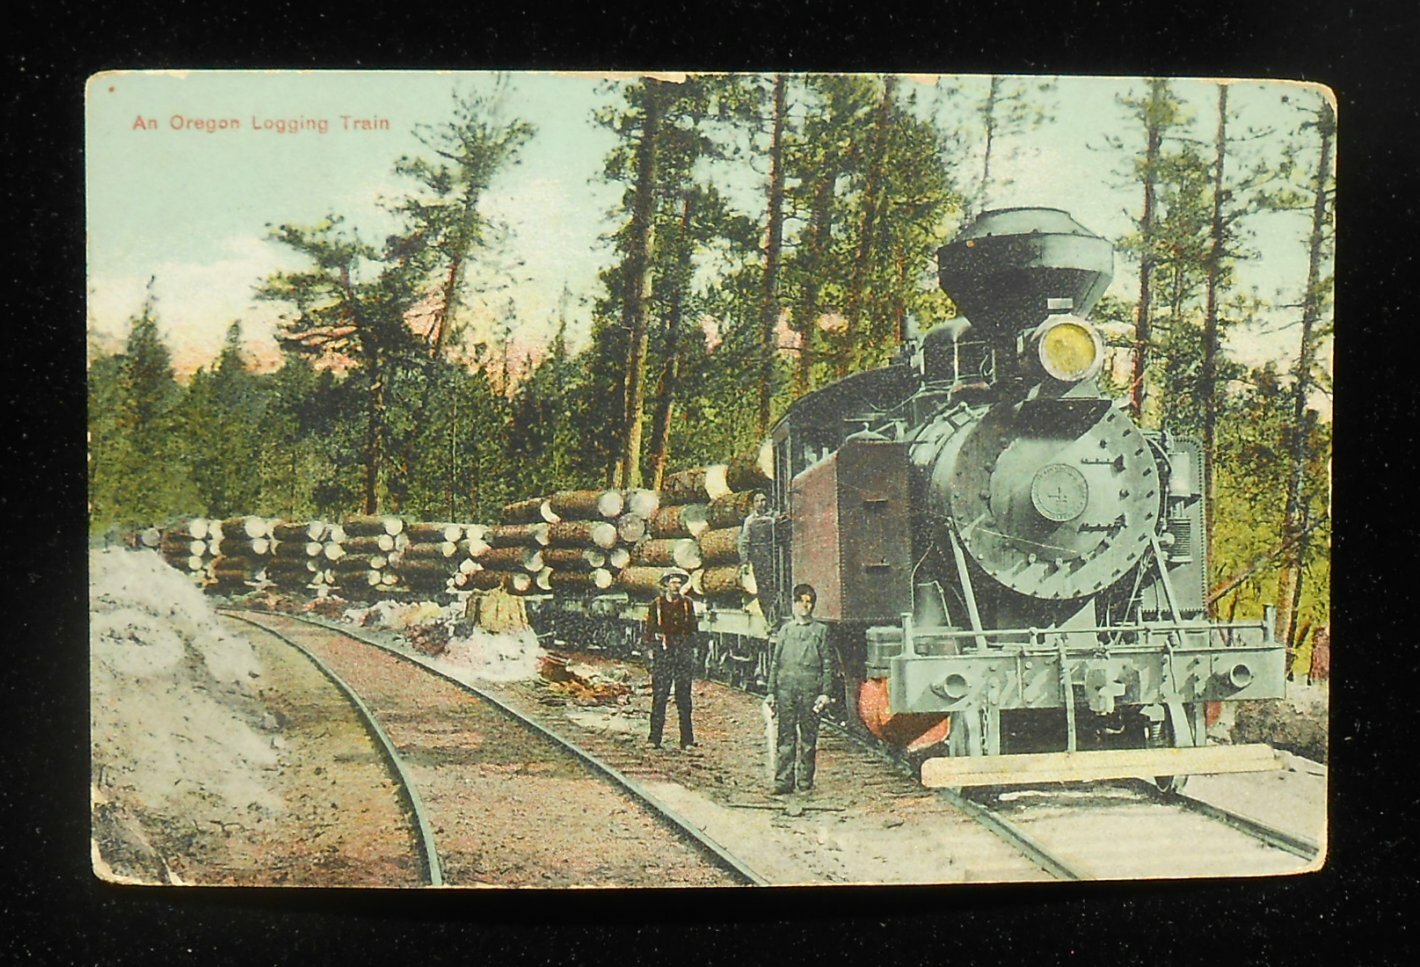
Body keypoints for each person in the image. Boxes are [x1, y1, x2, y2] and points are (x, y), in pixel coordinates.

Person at [765, 583, 834, 794]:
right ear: (794, 604)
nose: (805, 606)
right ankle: (783, 781)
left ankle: (805, 781)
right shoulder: (785, 630)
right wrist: (770, 692)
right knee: (785, 737)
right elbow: (775, 662)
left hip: (810, 691)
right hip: (786, 691)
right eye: (801, 601)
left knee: (808, 738)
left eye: (809, 602)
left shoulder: (821, 631)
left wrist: (825, 693)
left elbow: (827, 664)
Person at [644, 568, 699, 750]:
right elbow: (649, 631)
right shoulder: (657, 605)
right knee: (660, 697)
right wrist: (651, 650)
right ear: (666, 584)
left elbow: (693, 630)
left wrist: (690, 651)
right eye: (673, 582)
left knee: (684, 699)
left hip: (682, 655)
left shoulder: (687, 604)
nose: (676, 586)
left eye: (679, 583)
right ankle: (654, 739)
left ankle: (687, 741)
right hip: (663, 655)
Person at [737, 491, 781, 628]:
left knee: (778, 587)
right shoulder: (749, 521)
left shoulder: (775, 516)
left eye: (763, 500)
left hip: (775, 557)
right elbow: (744, 542)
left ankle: (779, 616)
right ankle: (769, 620)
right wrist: (745, 561)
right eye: (757, 501)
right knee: (763, 589)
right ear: (753, 504)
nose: (761, 503)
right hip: (759, 558)